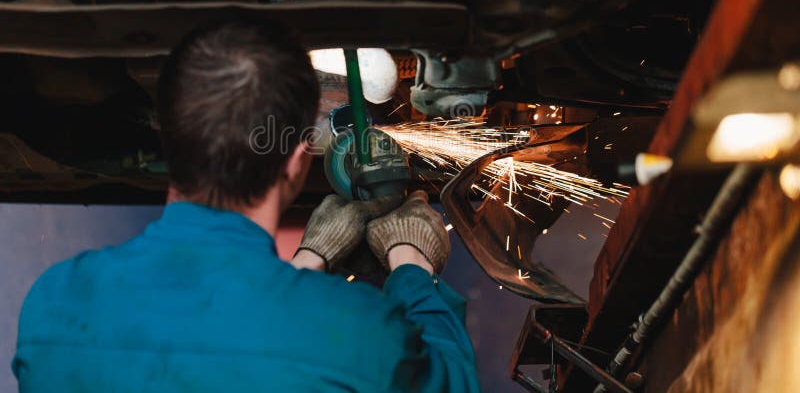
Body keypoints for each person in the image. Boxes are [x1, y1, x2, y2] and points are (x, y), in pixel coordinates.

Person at [12, 22, 480, 392]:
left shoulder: (55, 303)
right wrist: (411, 261)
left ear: (170, 143)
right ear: (298, 163)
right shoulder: (357, 332)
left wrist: (309, 261)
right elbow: (450, 381)